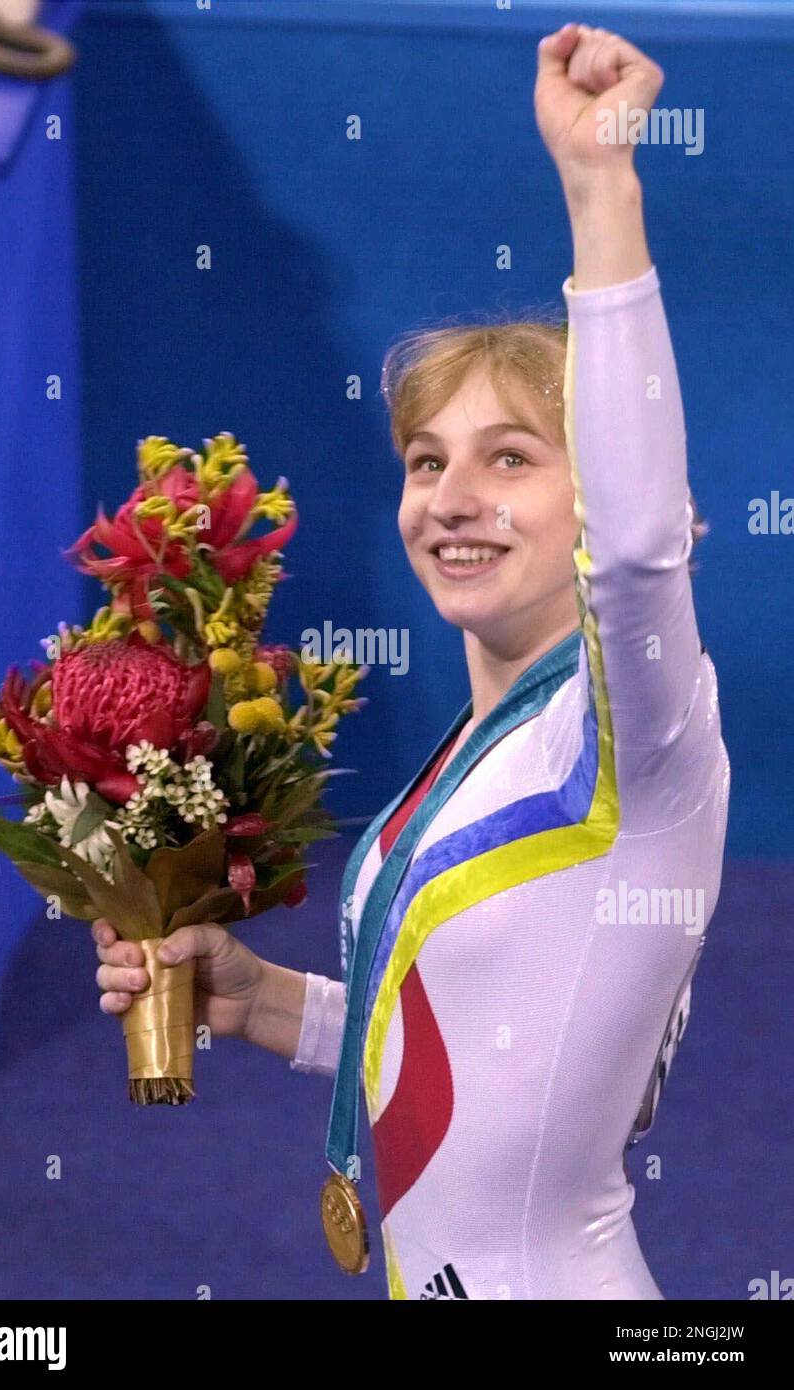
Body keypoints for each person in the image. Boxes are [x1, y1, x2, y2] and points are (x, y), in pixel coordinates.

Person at [93, 22, 730, 1300]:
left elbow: (645, 550)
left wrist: (601, 183)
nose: (451, 495)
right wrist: (268, 1000)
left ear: (592, 495)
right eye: (426, 461)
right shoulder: (478, 743)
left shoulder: (637, 738)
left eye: (511, 458)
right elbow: (470, 1052)